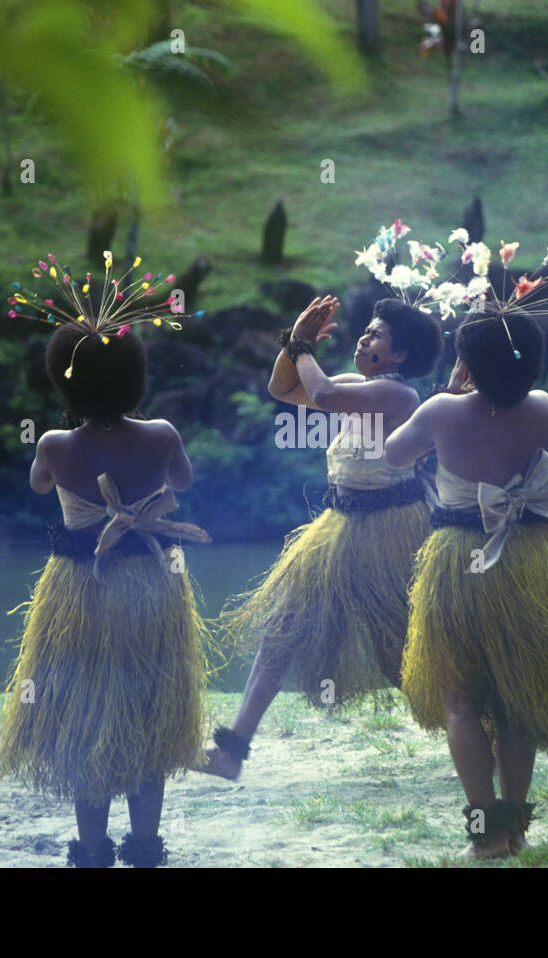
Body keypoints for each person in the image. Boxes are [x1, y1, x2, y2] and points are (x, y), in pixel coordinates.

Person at [384, 314, 548, 859]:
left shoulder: (441, 411)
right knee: (516, 698)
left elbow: (393, 453)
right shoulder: (546, 408)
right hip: (536, 557)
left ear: (468, 365)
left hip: (460, 560)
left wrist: (450, 393)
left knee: (460, 701)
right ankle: (517, 824)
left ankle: (486, 834)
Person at [193, 295, 443, 780]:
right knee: (281, 631)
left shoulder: (399, 397)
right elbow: (282, 389)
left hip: (389, 532)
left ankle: (473, 729)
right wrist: (293, 342)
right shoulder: (360, 386)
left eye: (377, 335)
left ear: (399, 357)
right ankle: (231, 752)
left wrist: (301, 343)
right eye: (366, 330)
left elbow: (323, 395)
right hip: (338, 529)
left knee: (399, 657)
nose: (364, 338)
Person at [0, 323, 212, 868]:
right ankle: (145, 849)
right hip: (149, 584)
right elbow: (182, 483)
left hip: (79, 590)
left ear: (65, 385)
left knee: (82, 717)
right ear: (135, 379)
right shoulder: (162, 433)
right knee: (150, 712)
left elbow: (39, 484)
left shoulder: (55, 443)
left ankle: (92, 852)